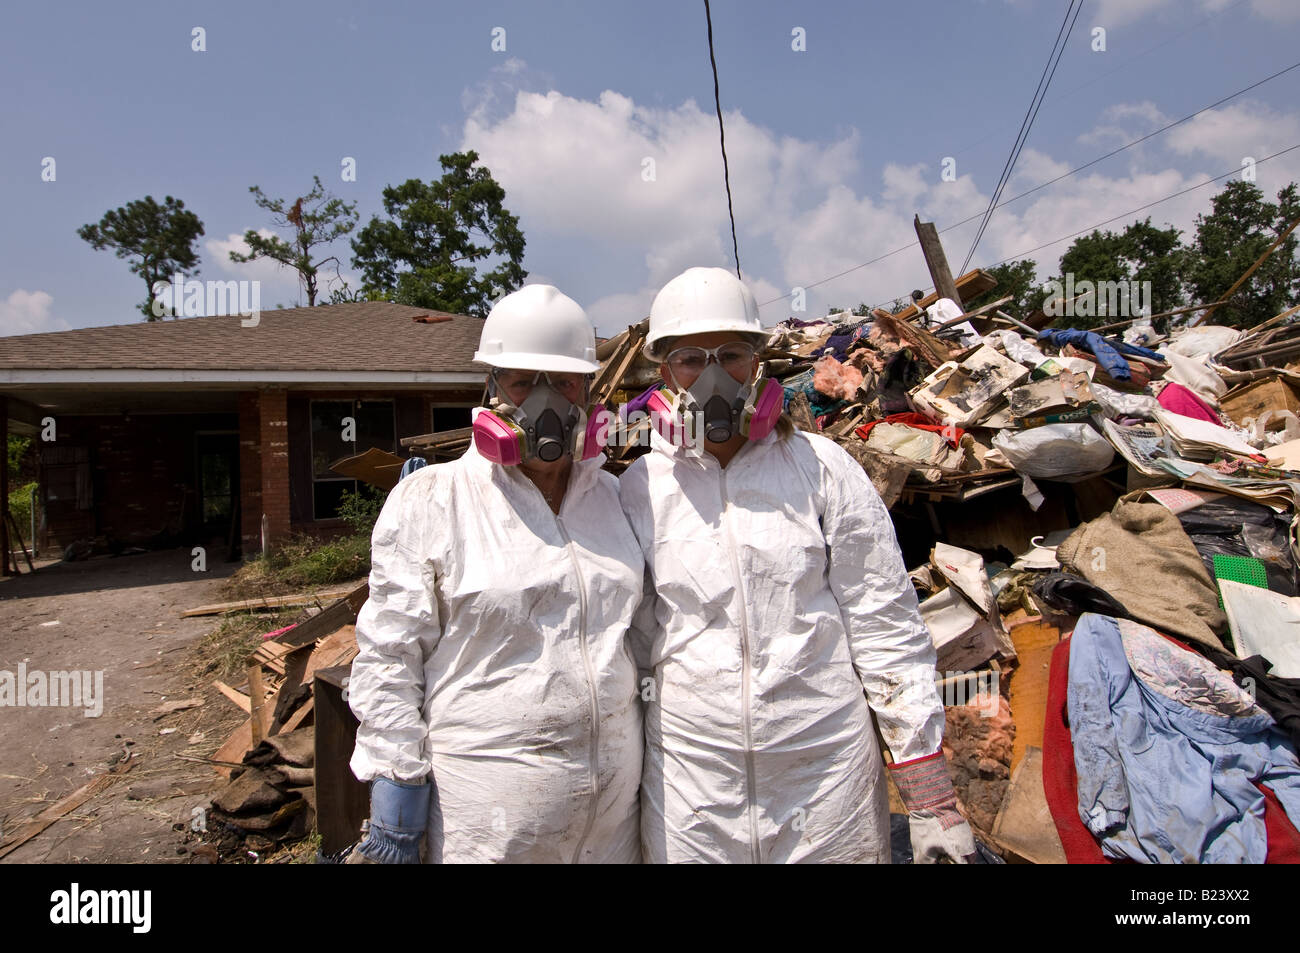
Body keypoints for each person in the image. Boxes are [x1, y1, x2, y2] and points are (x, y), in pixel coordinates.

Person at [619, 266, 977, 864]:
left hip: (825, 771)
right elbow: (633, 644)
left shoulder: (823, 469)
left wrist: (929, 796)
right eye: (689, 359)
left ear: (758, 364)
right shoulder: (638, 490)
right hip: (693, 785)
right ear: (664, 374)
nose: (711, 374)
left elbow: (884, 625)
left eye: (730, 353)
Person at [346, 284, 644, 863]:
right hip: (485, 824)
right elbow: (388, 657)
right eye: (522, 380)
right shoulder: (432, 499)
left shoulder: (615, 499)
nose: (544, 400)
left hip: (612, 828)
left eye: (562, 381)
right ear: (491, 389)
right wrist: (398, 793)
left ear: (588, 391)